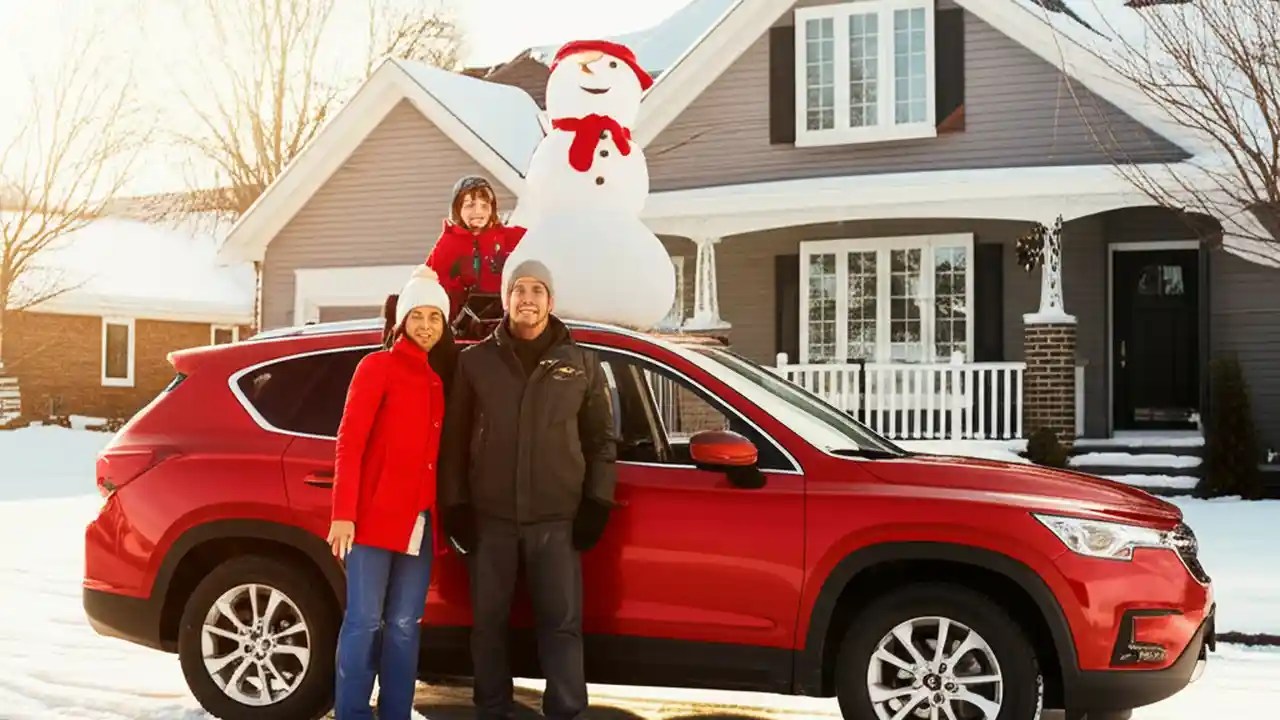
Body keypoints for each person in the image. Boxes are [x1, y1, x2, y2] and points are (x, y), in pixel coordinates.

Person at [437, 259, 617, 720]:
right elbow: (453, 440)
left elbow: (601, 442)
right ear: (506, 299)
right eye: (519, 290)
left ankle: (567, 711)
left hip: (557, 519)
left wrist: (597, 501)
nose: (528, 299)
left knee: (561, 627)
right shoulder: (476, 361)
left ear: (551, 302)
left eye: (538, 291)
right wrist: (455, 505)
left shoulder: (580, 364)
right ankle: (492, 709)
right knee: (488, 627)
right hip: (490, 519)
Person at [327, 264, 458, 720]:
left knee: (404, 624)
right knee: (364, 621)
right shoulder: (376, 367)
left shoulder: (438, 381)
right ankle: (352, 713)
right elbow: (350, 442)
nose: (426, 326)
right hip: (371, 519)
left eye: (435, 318)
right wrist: (343, 513)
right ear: (402, 320)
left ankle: (396, 712)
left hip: (419, 521)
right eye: (418, 316)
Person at [425, 175, 526, 329]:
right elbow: (427, 284)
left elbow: (537, 242)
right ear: (457, 209)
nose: (478, 211)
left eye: (485, 206)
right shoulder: (448, 244)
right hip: (459, 327)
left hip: (504, 325)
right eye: (470, 205)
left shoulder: (507, 238)